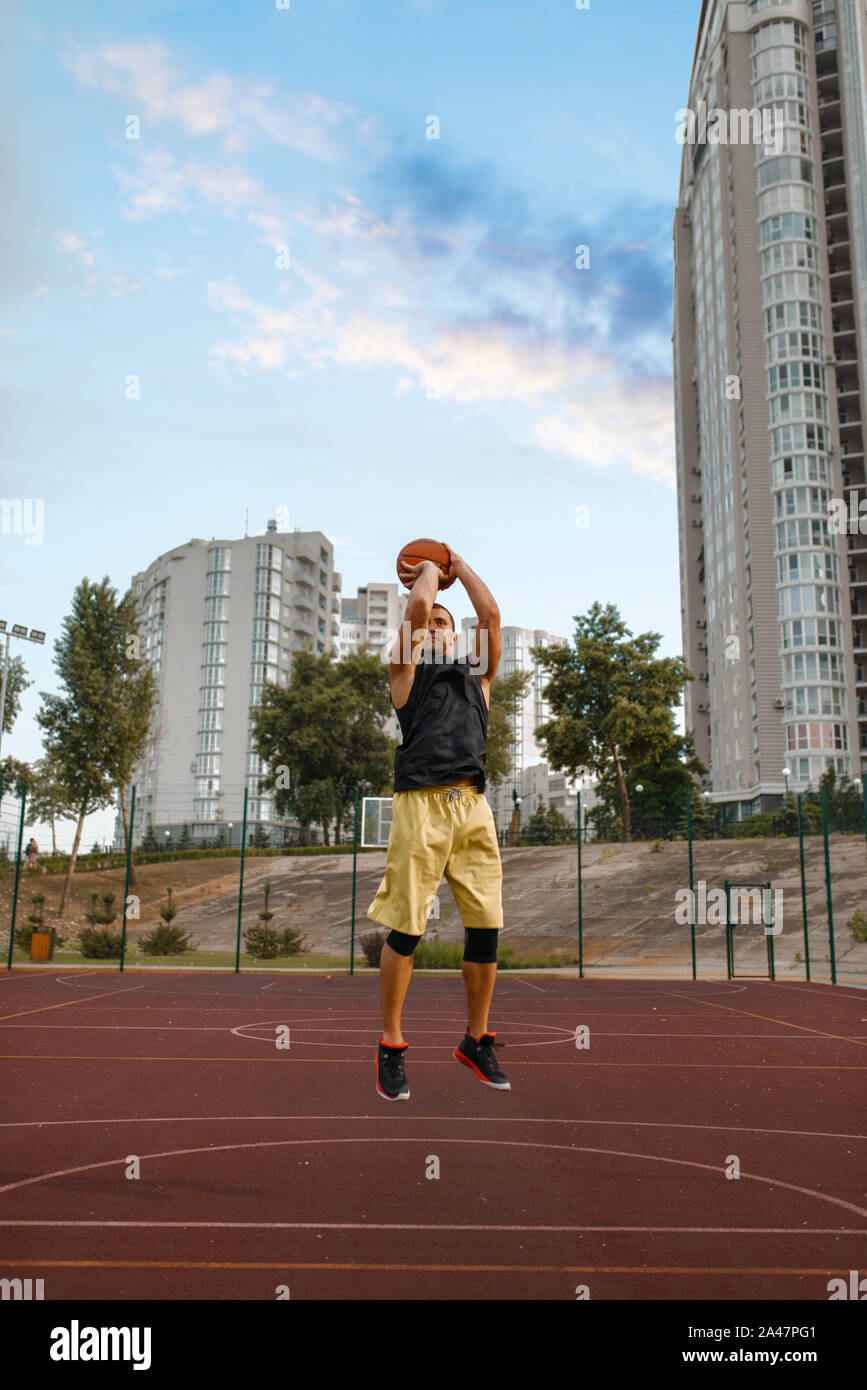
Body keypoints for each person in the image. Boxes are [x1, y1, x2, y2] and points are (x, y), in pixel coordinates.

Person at [367, 543, 509, 1100]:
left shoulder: (481, 682)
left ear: (457, 639)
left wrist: (459, 563)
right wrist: (428, 571)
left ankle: (476, 1039)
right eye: (431, 625)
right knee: (408, 928)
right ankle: (391, 1045)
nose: (436, 628)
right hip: (420, 805)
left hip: (472, 806)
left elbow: (491, 615)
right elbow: (418, 609)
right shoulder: (404, 674)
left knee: (486, 926)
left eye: (447, 625)